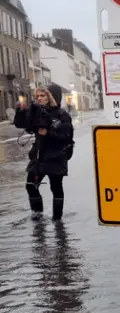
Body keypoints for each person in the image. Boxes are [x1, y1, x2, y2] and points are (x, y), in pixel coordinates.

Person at [14, 84, 74, 221]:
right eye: (37, 96)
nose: (39, 98)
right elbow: (22, 125)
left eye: (43, 95)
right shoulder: (37, 112)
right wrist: (21, 110)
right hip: (39, 156)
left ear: (51, 96)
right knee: (30, 185)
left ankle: (57, 220)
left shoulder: (62, 115)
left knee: (56, 187)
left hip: (56, 157)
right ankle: (37, 216)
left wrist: (49, 132)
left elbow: (67, 137)